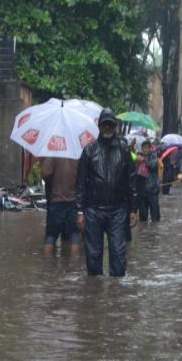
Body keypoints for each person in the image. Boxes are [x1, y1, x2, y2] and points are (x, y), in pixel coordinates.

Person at [76, 108, 137, 277]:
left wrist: (133, 209)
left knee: (118, 255)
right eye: (105, 125)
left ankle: (115, 296)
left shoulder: (124, 150)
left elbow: (131, 180)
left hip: (118, 210)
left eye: (110, 125)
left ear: (115, 126)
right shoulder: (89, 151)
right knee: (93, 256)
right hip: (93, 209)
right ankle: (94, 295)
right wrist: (80, 211)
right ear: (100, 126)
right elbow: (80, 183)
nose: (108, 128)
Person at [40, 155, 80, 258]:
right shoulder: (77, 154)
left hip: (56, 201)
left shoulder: (53, 154)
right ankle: (74, 267)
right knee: (74, 235)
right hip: (74, 201)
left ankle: (48, 266)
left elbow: (46, 173)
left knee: (51, 236)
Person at [137, 139, 161, 223]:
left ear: (150, 148)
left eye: (146, 148)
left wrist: (144, 160)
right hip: (142, 190)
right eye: (143, 148)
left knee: (155, 215)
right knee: (143, 217)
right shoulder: (138, 157)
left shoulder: (154, 157)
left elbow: (152, 166)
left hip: (152, 189)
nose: (145, 150)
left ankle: (154, 231)